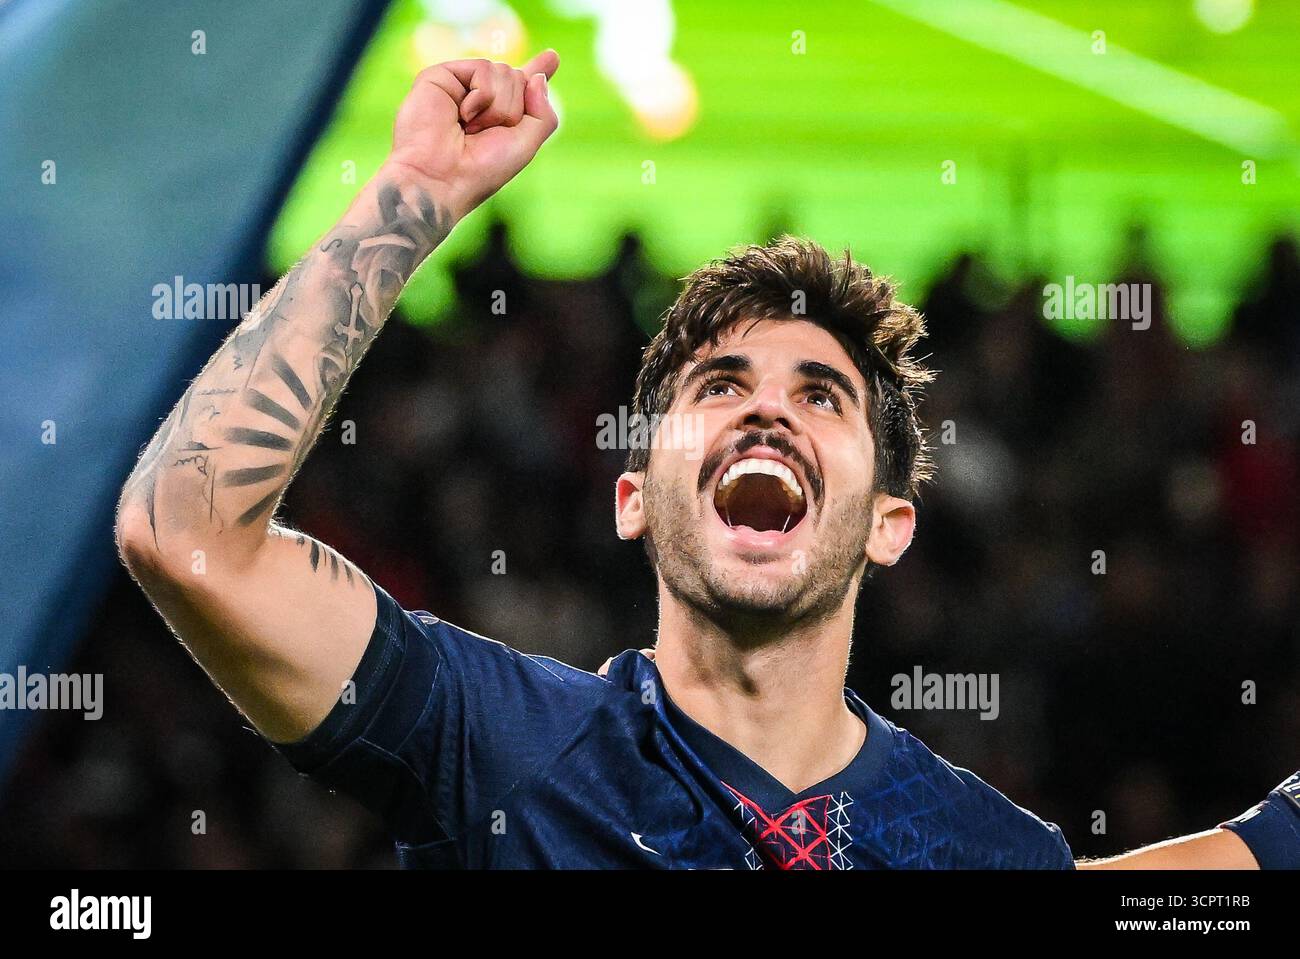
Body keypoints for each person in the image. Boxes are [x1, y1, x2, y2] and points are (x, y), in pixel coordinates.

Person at [115, 50, 1288, 869]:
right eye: (718, 386)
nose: (766, 413)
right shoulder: (501, 743)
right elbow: (184, 531)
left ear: (890, 520)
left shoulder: (981, 849)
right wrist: (413, 195)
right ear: (634, 498)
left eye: (819, 394)